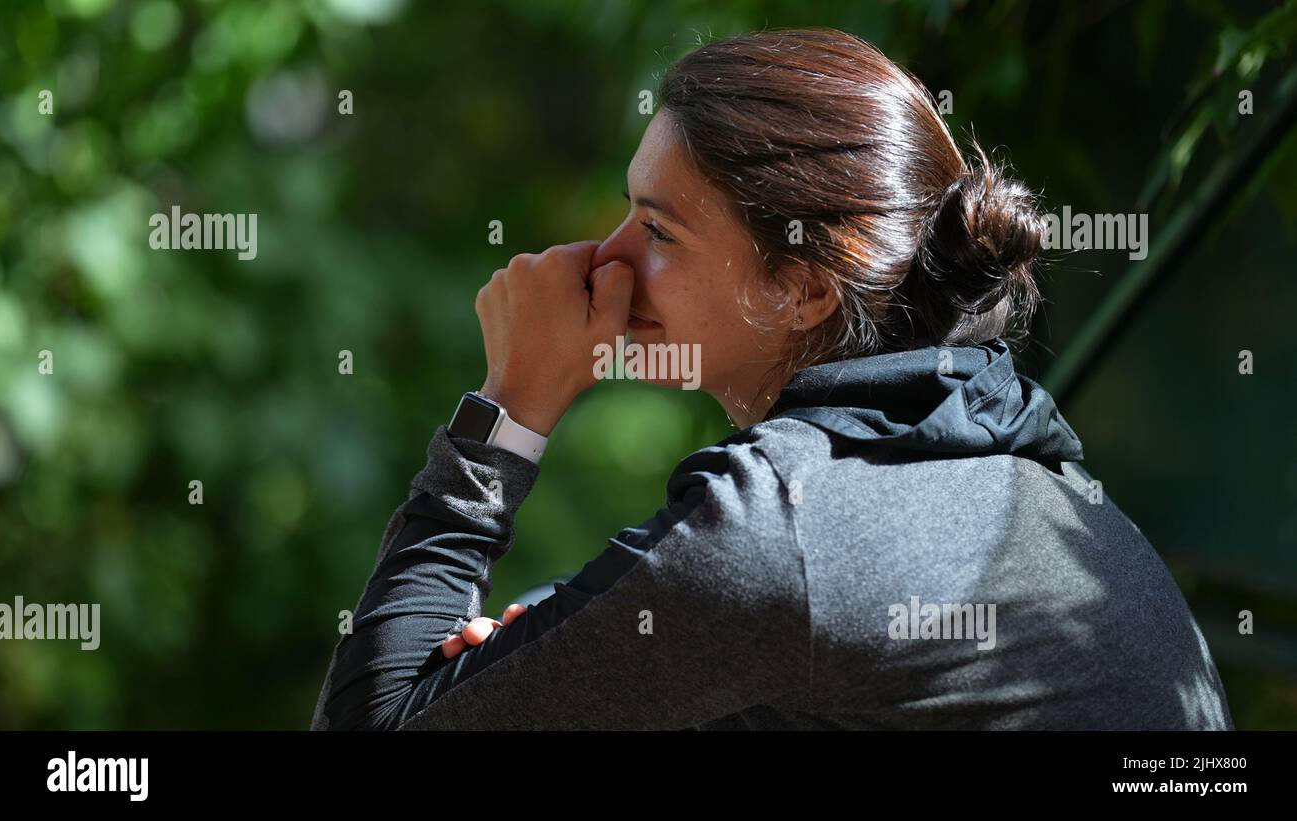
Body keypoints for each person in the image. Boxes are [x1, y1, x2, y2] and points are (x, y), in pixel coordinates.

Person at [309, 27, 1233, 730]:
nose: (605, 260)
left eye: (659, 230)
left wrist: (510, 407)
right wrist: (548, 644)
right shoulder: (1027, 463)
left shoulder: (780, 525)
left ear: (800, 287)